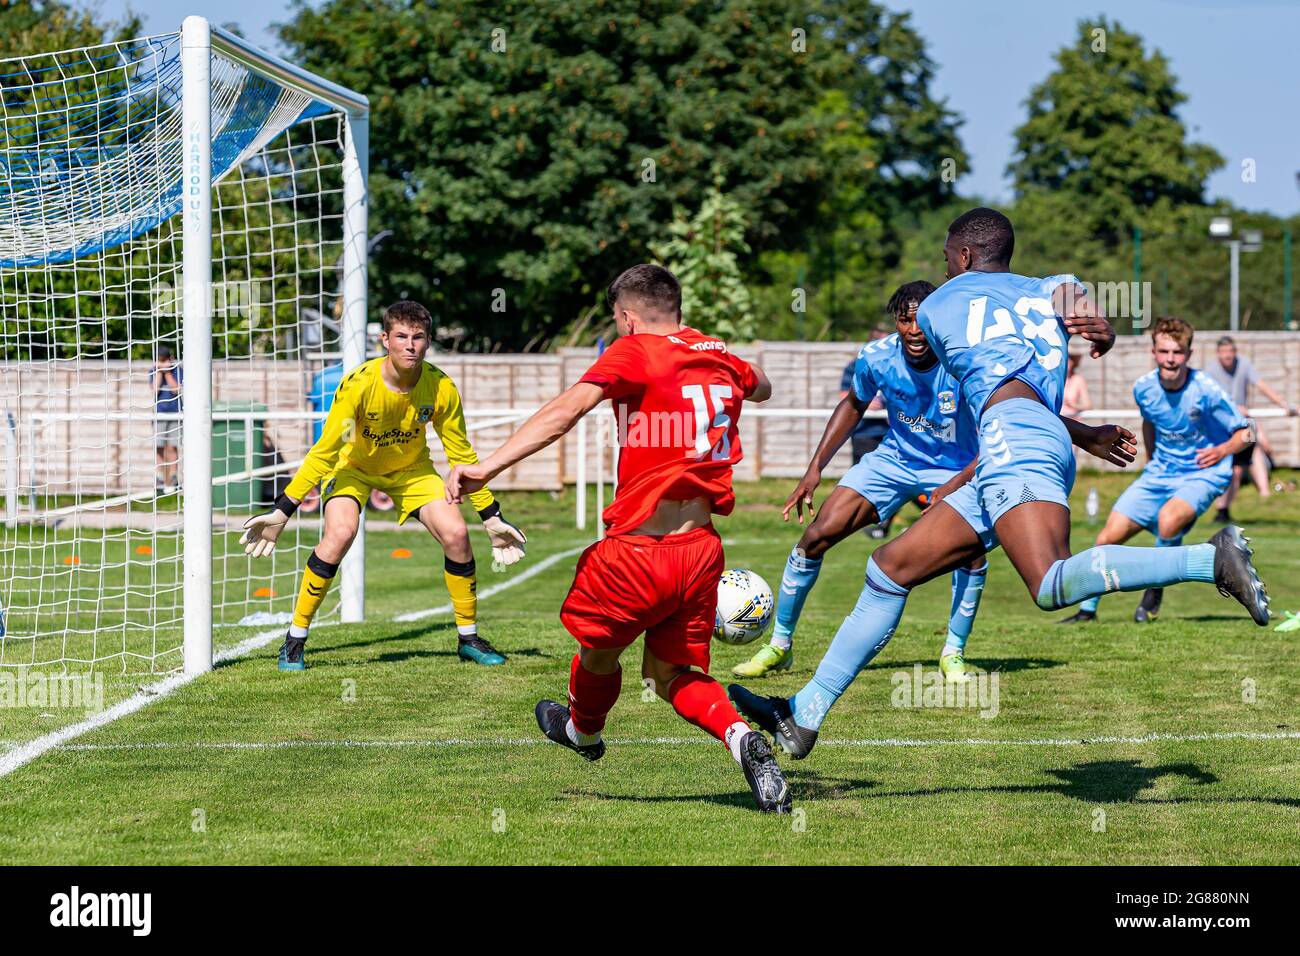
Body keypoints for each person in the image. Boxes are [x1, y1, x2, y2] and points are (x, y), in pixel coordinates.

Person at [730, 207, 1269, 760]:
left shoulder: (940, 304)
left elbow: (967, 373)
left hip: (1014, 441)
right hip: (1024, 440)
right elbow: (1079, 314)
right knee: (888, 569)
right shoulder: (1052, 286)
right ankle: (804, 715)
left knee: (1050, 584)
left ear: (963, 255)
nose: (943, 265)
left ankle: (1210, 561)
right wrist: (1098, 341)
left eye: (946, 254)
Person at [445, 264, 791, 813]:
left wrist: (486, 468)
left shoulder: (635, 351)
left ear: (628, 318)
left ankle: (583, 733)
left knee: (599, 655)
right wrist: (713, 355)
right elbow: (764, 386)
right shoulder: (717, 353)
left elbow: (566, 412)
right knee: (673, 674)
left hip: (638, 552)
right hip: (701, 550)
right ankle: (742, 737)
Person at [239, 300, 528, 670]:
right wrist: (283, 509)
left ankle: (468, 638)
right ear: (385, 340)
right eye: (402, 336)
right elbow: (325, 452)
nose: (410, 345)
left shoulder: (441, 388)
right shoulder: (358, 386)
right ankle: (295, 640)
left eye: (418, 337)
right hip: (354, 469)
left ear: (428, 342)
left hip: (412, 471)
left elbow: (462, 456)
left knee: (457, 534)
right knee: (341, 532)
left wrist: (490, 516)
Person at [731, 280, 987, 684]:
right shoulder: (877, 357)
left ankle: (953, 652)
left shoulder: (966, 362)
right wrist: (814, 469)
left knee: (969, 553)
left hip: (955, 469)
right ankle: (780, 645)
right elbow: (853, 404)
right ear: (896, 322)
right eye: (905, 320)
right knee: (816, 535)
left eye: (923, 321)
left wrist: (959, 483)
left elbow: (996, 428)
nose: (914, 330)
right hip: (893, 461)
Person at [1060, 318, 1255, 625]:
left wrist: (1220, 451)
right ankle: (1087, 611)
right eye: (1164, 351)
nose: (1170, 359)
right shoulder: (1144, 388)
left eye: (1177, 352)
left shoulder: (1205, 389)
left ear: (1188, 355)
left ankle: (1154, 594)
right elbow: (1150, 421)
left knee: (1168, 520)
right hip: (1159, 474)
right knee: (1106, 537)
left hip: (1203, 473)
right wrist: (1151, 461)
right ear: (1153, 352)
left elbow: (1249, 432)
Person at [1204, 335, 1298, 522]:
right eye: (1224, 352)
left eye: (1231, 351)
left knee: (1252, 451)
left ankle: (1264, 495)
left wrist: (1283, 404)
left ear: (1235, 352)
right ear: (1218, 354)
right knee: (1233, 469)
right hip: (1221, 427)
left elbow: (1262, 385)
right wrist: (1231, 407)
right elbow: (1207, 400)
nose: (1228, 356)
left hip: (1242, 423)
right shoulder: (1210, 372)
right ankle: (1221, 511)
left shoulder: (1244, 365)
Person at [151, 345, 182, 493]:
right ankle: (160, 478)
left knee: (173, 446)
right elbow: (154, 390)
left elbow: (176, 390)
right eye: (159, 360)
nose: (162, 362)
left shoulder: (177, 370)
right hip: (159, 413)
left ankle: (173, 478)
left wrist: (168, 373)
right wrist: (159, 373)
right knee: (160, 446)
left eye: (164, 359)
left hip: (175, 413)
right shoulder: (153, 371)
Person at [1060, 342, 1092, 419]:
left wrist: (1073, 405)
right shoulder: (1052, 379)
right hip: (1055, 422)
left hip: (1072, 421)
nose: (1066, 362)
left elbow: (1087, 405)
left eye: (1069, 358)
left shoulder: (1077, 380)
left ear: (1073, 362)